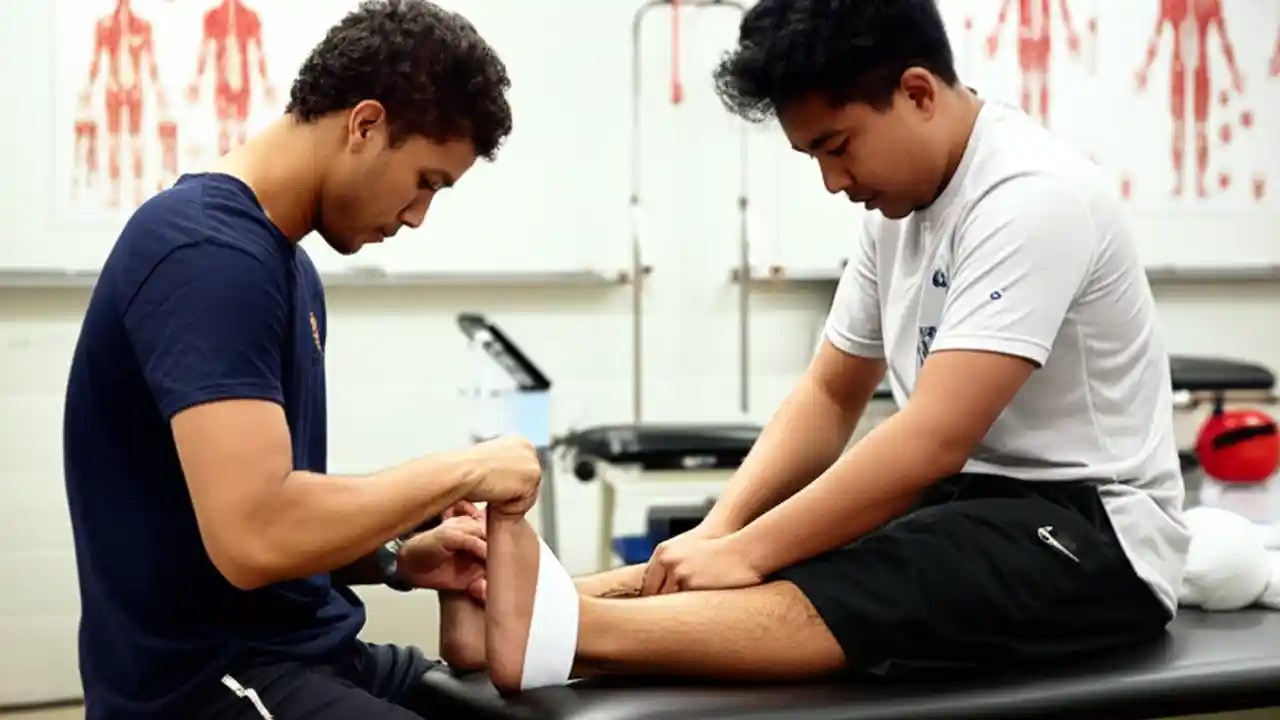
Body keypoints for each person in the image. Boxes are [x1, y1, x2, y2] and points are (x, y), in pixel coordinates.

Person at [467, 0, 1193, 694]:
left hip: (1097, 534)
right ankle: (531, 600)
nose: (832, 181)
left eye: (836, 146)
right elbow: (828, 394)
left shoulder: (1033, 196)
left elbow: (932, 440)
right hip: (970, 501)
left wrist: (744, 553)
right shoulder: (895, 213)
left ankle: (566, 631)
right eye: (812, 155)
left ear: (916, 92)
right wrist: (720, 534)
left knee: (870, 573)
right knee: (801, 546)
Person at [61, 2, 535, 718]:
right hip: (205, 684)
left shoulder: (282, 266)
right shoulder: (206, 255)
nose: (417, 217)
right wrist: (464, 469)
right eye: (426, 181)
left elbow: (257, 518)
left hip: (302, 650)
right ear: (365, 124)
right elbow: (255, 533)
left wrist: (395, 559)